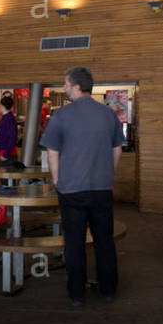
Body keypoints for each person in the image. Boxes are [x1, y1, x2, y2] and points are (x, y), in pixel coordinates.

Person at [40, 66, 121, 306]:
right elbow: (117, 149)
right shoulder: (109, 114)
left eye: (65, 84)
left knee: (74, 243)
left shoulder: (62, 115)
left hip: (72, 189)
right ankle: (108, 291)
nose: (63, 87)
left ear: (76, 86)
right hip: (102, 189)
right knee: (104, 241)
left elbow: (52, 151)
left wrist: (57, 179)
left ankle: (77, 294)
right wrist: (108, 174)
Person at [0, 95, 18, 165]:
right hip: (5, 153)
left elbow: (12, 138)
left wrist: (5, 155)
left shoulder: (9, 119)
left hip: (8, 155)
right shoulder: (6, 118)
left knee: (6, 175)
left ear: (2, 106)